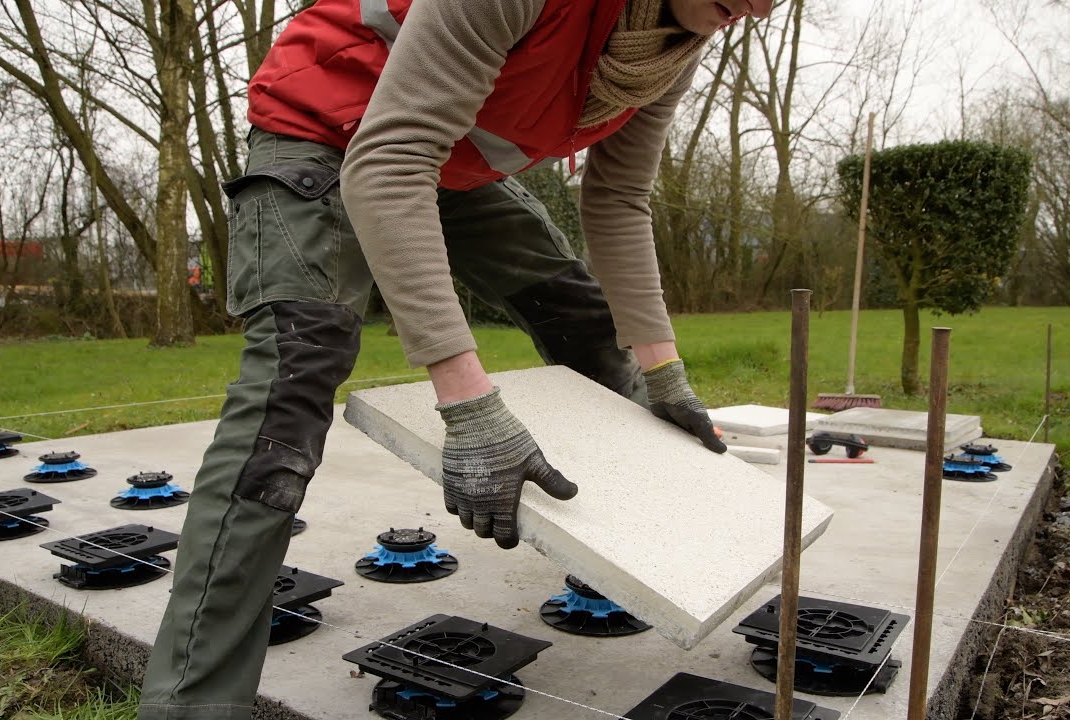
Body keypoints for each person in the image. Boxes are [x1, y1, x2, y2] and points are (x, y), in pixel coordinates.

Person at [137, 1, 771, 717]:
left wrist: (664, 375)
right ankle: (190, 703)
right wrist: (471, 411)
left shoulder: (671, 45)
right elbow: (390, 161)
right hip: (330, 132)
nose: (756, 5)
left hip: (446, 161)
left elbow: (620, 196)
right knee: (291, 384)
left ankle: (617, 565)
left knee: (589, 323)